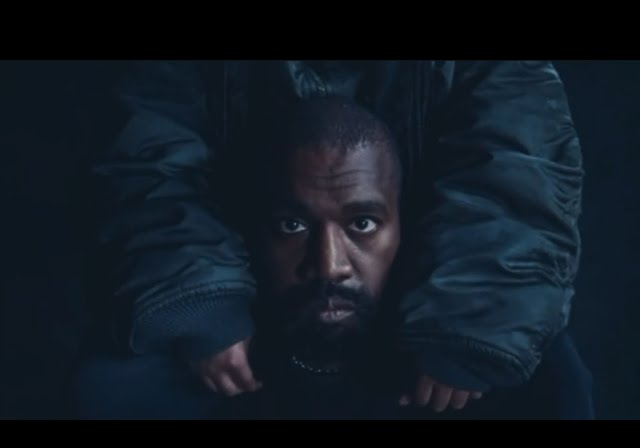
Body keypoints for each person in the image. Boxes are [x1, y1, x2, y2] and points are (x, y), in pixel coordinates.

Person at [75, 61, 592, 418]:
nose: (330, 262)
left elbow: (519, 170)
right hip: (241, 292)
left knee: (554, 383)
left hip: (427, 301)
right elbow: (148, 160)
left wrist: (474, 318)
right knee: (118, 384)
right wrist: (197, 301)